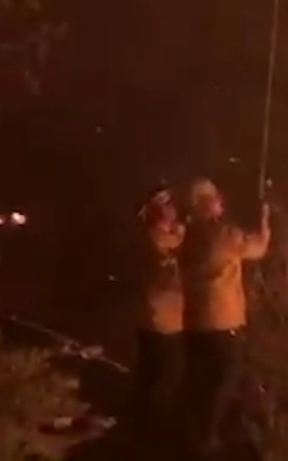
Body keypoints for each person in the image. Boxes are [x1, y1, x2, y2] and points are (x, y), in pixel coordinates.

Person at [178, 177, 271, 456]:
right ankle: (206, 439)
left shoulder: (187, 237)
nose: (221, 202)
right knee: (223, 379)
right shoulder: (224, 235)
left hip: (193, 321)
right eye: (216, 198)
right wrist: (264, 220)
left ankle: (193, 434)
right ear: (208, 205)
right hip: (221, 322)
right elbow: (258, 247)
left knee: (199, 379)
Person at [129, 184, 186, 445]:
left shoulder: (170, 236)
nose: (172, 209)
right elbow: (176, 269)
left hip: (165, 320)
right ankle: (151, 437)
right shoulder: (157, 239)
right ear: (155, 212)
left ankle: (144, 432)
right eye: (165, 206)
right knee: (161, 381)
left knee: (155, 378)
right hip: (162, 322)